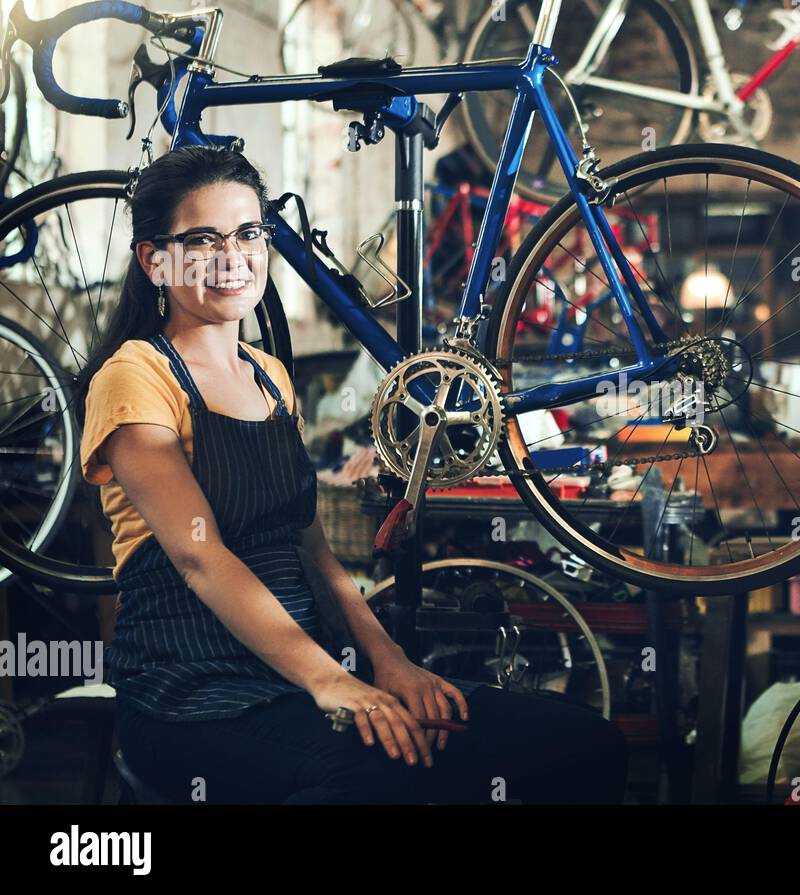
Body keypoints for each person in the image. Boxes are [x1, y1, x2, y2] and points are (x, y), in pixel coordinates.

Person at [78, 146, 626, 804]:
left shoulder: (269, 376)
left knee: (581, 745)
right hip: (194, 696)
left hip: (301, 673)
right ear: (154, 260)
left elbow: (311, 547)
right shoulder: (134, 376)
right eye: (202, 239)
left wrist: (389, 662)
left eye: (249, 233)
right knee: (378, 780)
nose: (234, 257)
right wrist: (330, 682)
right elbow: (201, 557)